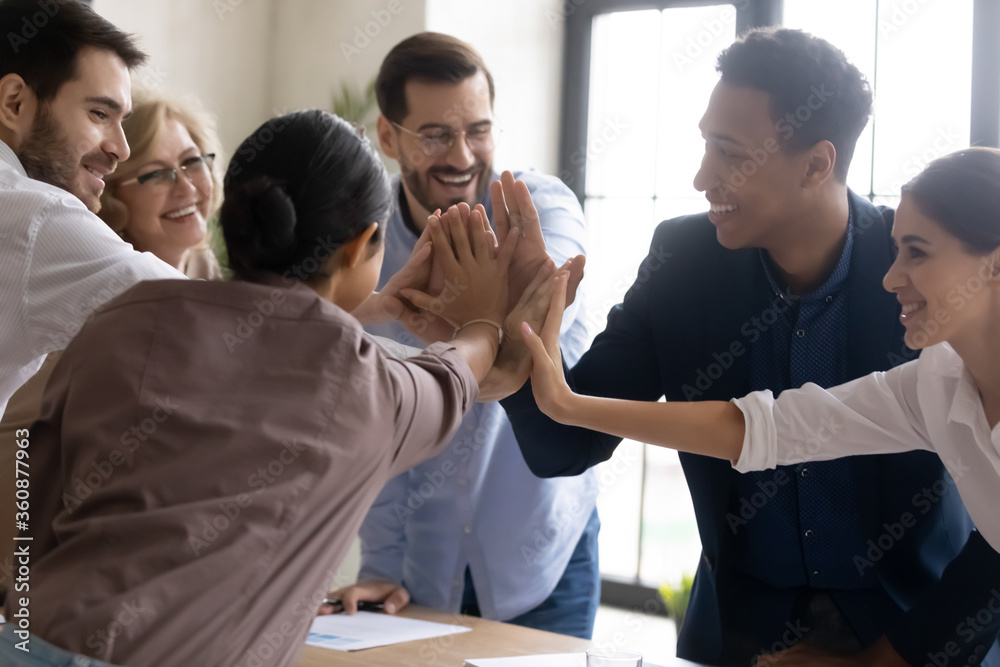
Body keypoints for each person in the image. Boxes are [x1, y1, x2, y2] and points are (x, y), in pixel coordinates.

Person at [499, 28, 1000, 666]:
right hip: (740, 638)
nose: (701, 177)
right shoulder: (684, 263)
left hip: (919, 631)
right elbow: (765, 428)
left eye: (728, 152)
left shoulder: (922, 282)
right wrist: (514, 342)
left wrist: (887, 660)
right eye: (705, 144)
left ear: (816, 164)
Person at [0, 109, 554, 667]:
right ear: (363, 242)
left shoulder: (123, 317)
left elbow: (32, 498)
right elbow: (452, 377)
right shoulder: (367, 384)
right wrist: (484, 321)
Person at [329, 32, 599, 639]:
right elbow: (373, 414)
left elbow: (533, 330)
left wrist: (479, 327)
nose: (461, 155)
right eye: (435, 135)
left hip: (544, 560)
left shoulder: (542, 209)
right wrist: (380, 565)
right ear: (388, 136)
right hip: (419, 567)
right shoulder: (365, 246)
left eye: (478, 131)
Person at [0, 0, 183, 602]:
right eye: (100, 113)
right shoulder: (31, 215)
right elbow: (206, 321)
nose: (120, 148)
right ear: (14, 103)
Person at [98, 90, 225, 280]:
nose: (187, 188)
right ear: (111, 193)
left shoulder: (203, 263)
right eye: (157, 175)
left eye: (191, 161)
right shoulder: (113, 282)